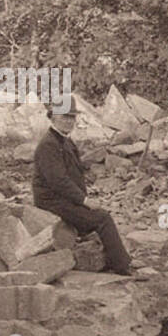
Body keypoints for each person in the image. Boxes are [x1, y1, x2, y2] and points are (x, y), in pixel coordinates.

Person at [32, 99, 133, 275]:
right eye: (65, 117)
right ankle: (122, 267)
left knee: (97, 216)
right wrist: (85, 201)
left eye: (72, 117)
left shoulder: (65, 141)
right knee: (103, 218)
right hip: (51, 201)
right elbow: (58, 181)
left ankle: (109, 259)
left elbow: (75, 174)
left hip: (62, 198)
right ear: (53, 117)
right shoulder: (48, 145)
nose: (69, 121)